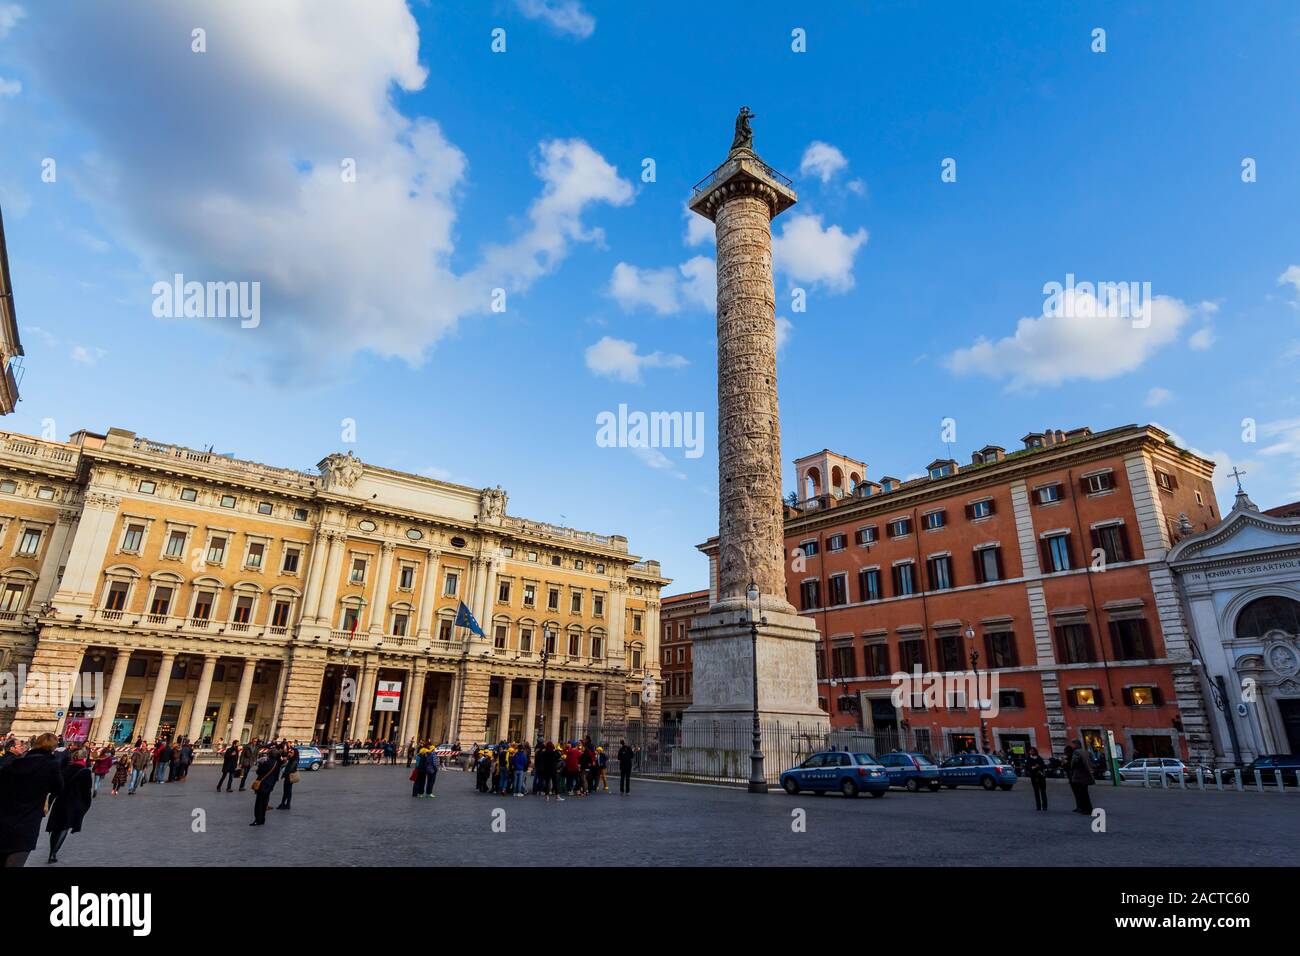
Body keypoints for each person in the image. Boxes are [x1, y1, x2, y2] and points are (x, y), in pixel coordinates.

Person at [0, 733, 65, 868]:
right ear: (53, 747)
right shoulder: (51, 766)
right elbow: (58, 788)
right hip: (27, 822)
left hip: (4, 819)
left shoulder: (15, 762)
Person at [46, 749, 94, 863]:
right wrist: (85, 806)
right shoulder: (86, 772)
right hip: (73, 803)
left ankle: (52, 851)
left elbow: (55, 788)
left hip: (60, 802)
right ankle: (53, 853)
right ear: (84, 758)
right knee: (64, 828)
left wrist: (49, 802)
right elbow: (86, 792)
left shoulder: (64, 769)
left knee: (56, 828)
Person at [249, 745, 283, 826]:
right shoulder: (276, 763)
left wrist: (260, 764)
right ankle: (262, 819)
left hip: (262, 784)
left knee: (259, 803)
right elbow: (276, 776)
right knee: (264, 803)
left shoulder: (266, 763)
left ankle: (257, 819)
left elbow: (259, 772)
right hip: (269, 785)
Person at [1067, 738, 1095, 814]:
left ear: (1076, 745)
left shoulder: (1076, 752)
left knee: (1081, 793)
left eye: (1073, 744)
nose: (1072, 746)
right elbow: (1092, 761)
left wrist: (1071, 766)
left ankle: (1086, 809)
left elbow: (1074, 762)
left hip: (1079, 775)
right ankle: (1088, 808)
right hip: (1086, 774)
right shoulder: (1086, 751)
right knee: (1085, 792)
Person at [1025, 746, 1048, 811]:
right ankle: (1038, 806)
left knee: (1043, 791)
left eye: (1032, 751)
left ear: (1035, 751)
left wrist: (1036, 767)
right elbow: (1028, 767)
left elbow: (1043, 766)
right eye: (1030, 751)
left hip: (1041, 777)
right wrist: (1035, 767)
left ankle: (1045, 806)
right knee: (1036, 792)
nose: (1031, 752)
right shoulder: (1029, 758)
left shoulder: (1039, 758)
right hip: (1034, 777)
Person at [277, 745, 299, 810]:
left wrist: (283, 774)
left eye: (291, 752)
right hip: (287, 777)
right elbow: (286, 765)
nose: (289, 753)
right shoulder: (291, 759)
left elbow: (290, 769)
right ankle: (284, 804)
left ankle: (286, 804)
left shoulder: (294, 760)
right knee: (287, 791)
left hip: (289, 777)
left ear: (294, 753)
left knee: (287, 791)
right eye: (289, 752)